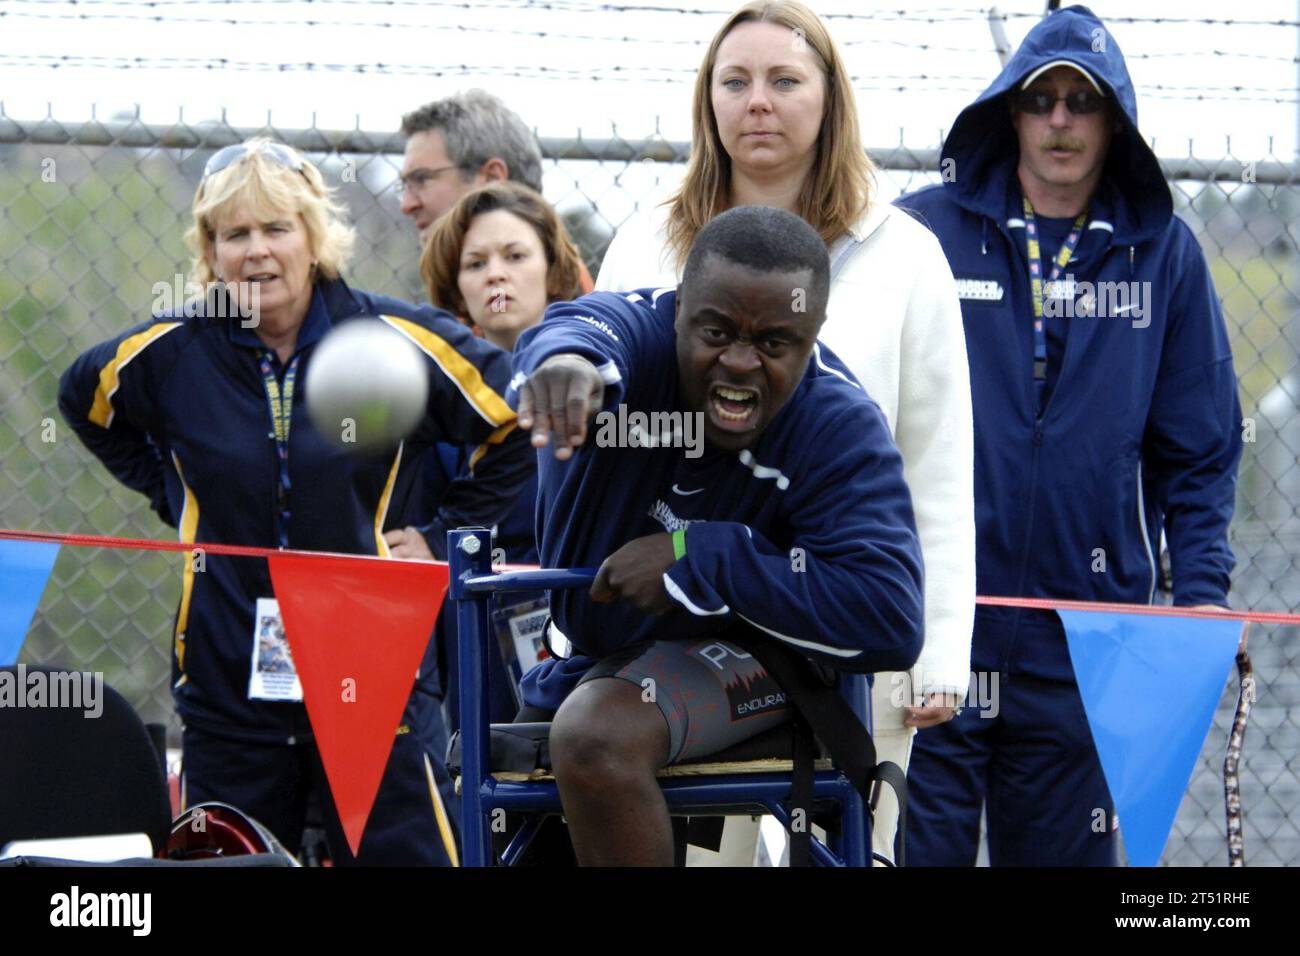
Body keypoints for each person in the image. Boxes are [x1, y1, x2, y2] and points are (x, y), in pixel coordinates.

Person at [58, 138, 533, 866]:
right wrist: (175, 495)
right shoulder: (168, 354)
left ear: (315, 237)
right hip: (226, 673)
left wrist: (444, 534)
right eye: (234, 234)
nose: (257, 252)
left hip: (371, 670)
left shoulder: (392, 338)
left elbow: (515, 422)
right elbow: (83, 402)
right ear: (209, 250)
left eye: (277, 228)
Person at [592, 0, 975, 864]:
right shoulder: (646, 241)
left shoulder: (907, 253)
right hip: (680, 626)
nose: (757, 100)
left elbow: (938, 464)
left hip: (844, 621)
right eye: (735, 80)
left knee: (850, 850)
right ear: (708, 101)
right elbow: (608, 447)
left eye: (784, 79)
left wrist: (941, 645)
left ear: (829, 98)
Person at [894, 5, 1243, 866]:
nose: (1059, 120)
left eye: (1080, 103)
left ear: (1112, 122)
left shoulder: (1164, 255)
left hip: (1086, 641)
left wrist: (1198, 594)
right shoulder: (922, 233)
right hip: (932, 627)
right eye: (1041, 98)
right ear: (1009, 110)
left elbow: (1196, 450)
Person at [512, 204, 925, 866]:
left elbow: (890, 615)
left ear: (813, 336)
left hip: (743, 652)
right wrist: (565, 363)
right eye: (715, 331)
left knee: (597, 737)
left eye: (773, 344)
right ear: (678, 310)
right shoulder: (633, 340)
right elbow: (583, 326)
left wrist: (698, 556)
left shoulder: (837, 423)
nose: (738, 363)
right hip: (585, 653)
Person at [419, 181, 586, 724]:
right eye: (476, 263)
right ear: (455, 286)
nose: (496, 273)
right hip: (468, 661)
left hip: (582, 649)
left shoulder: (602, 383)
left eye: (515, 256)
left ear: (553, 272)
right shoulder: (429, 401)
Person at [397, 89, 595, 292]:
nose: (407, 205)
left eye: (422, 179)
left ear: (492, 179)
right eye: (405, 185)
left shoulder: (533, 295)